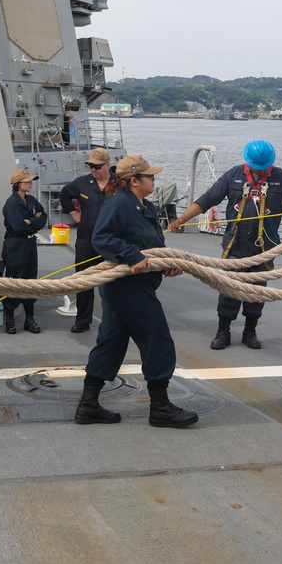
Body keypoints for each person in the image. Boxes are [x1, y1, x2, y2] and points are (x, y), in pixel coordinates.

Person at [169, 139, 282, 350]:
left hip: (264, 247)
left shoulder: (281, 178)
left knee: (258, 289)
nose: (261, 171)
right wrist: (182, 219)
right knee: (229, 287)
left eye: (265, 167)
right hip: (235, 245)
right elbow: (208, 199)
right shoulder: (233, 175)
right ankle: (223, 330)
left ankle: (250, 330)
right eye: (258, 168)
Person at [74, 155, 197, 429]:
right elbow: (102, 238)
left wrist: (165, 266)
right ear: (134, 181)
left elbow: (152, 245)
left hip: (137, 285)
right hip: (127, 288)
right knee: (157, 339)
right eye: (150, 176)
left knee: (111, 343)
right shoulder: (119, 204)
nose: (154, 180)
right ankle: (161, 407)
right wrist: (131, 255)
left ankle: (88, 405)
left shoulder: (145, 206)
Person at [59, 147, 116, 333]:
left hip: (111, 242)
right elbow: (64, 194)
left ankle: (115, 322)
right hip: (86, 241)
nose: (93, 170)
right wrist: (75, 214)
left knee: (114, 283)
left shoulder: (119, 184)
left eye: (97, 166)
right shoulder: (82, 183)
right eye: (91, 166)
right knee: (84, 282)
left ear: (108, 165)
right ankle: (83, 321)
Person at [1, 169, 48, 334]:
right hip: (15, 245)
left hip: (29, 245)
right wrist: (33, 222)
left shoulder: (32, 200)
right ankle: (10, 319)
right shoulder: (12, 203)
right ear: (17, 184)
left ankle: (29, 319)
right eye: (27, 181)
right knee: (13, 281)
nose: (30, 182)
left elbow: (44, 217)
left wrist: (31, 221)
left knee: (30, 280)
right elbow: (18, 226)